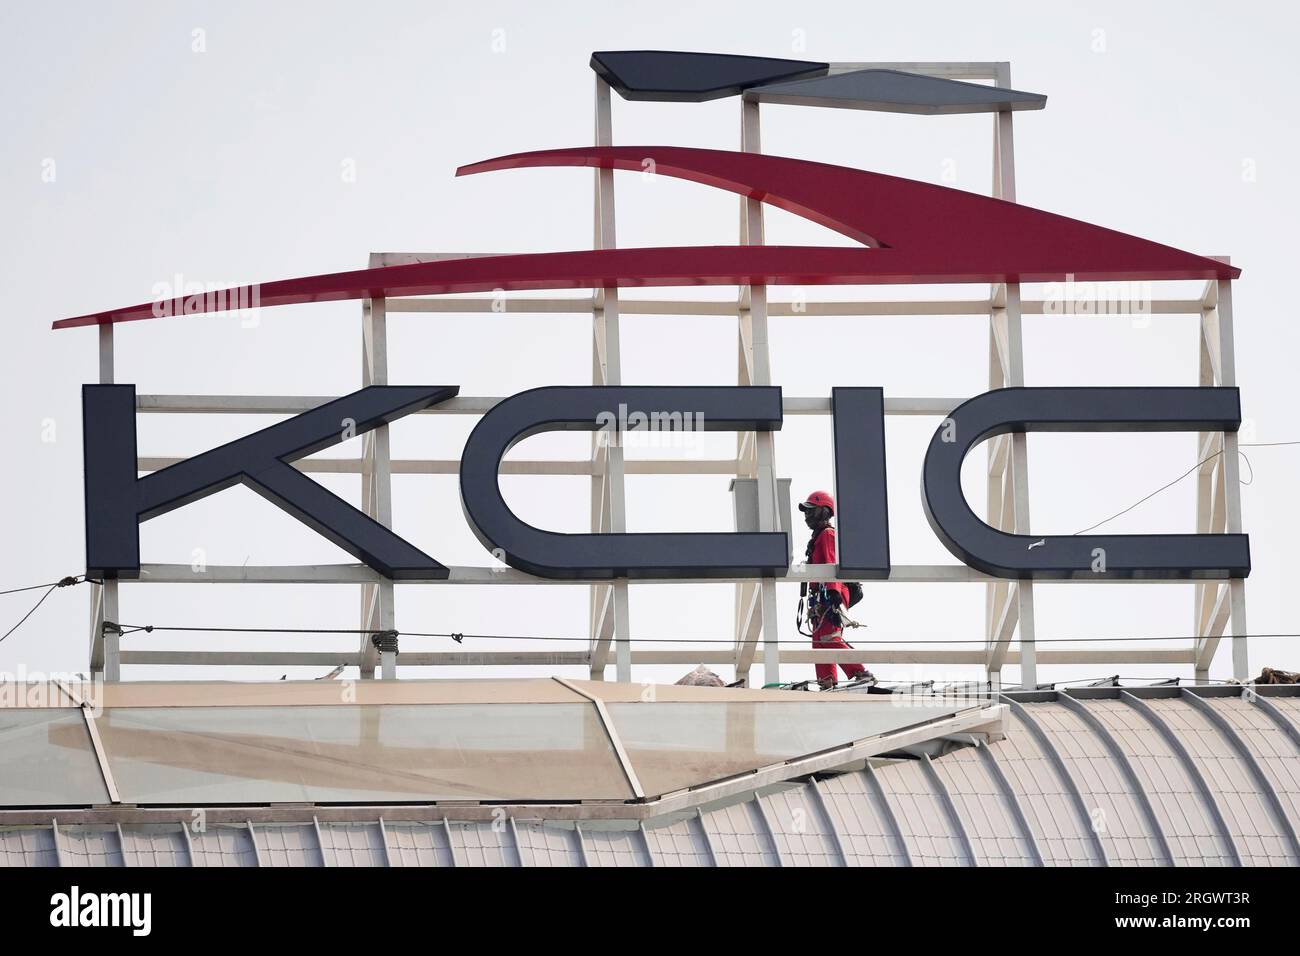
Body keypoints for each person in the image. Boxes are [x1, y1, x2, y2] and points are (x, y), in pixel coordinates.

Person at [798, 491, 873, 690]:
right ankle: (827, 683)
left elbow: (831, 564)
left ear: (824, 512)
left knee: (829, 638)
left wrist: (833, 595)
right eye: (806, 512)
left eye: (811, 511)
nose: (807, 516)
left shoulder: (828, 535)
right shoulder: (817, 538)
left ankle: (861, 673)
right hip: (822, 595)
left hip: (833, 592)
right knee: (819, 642)